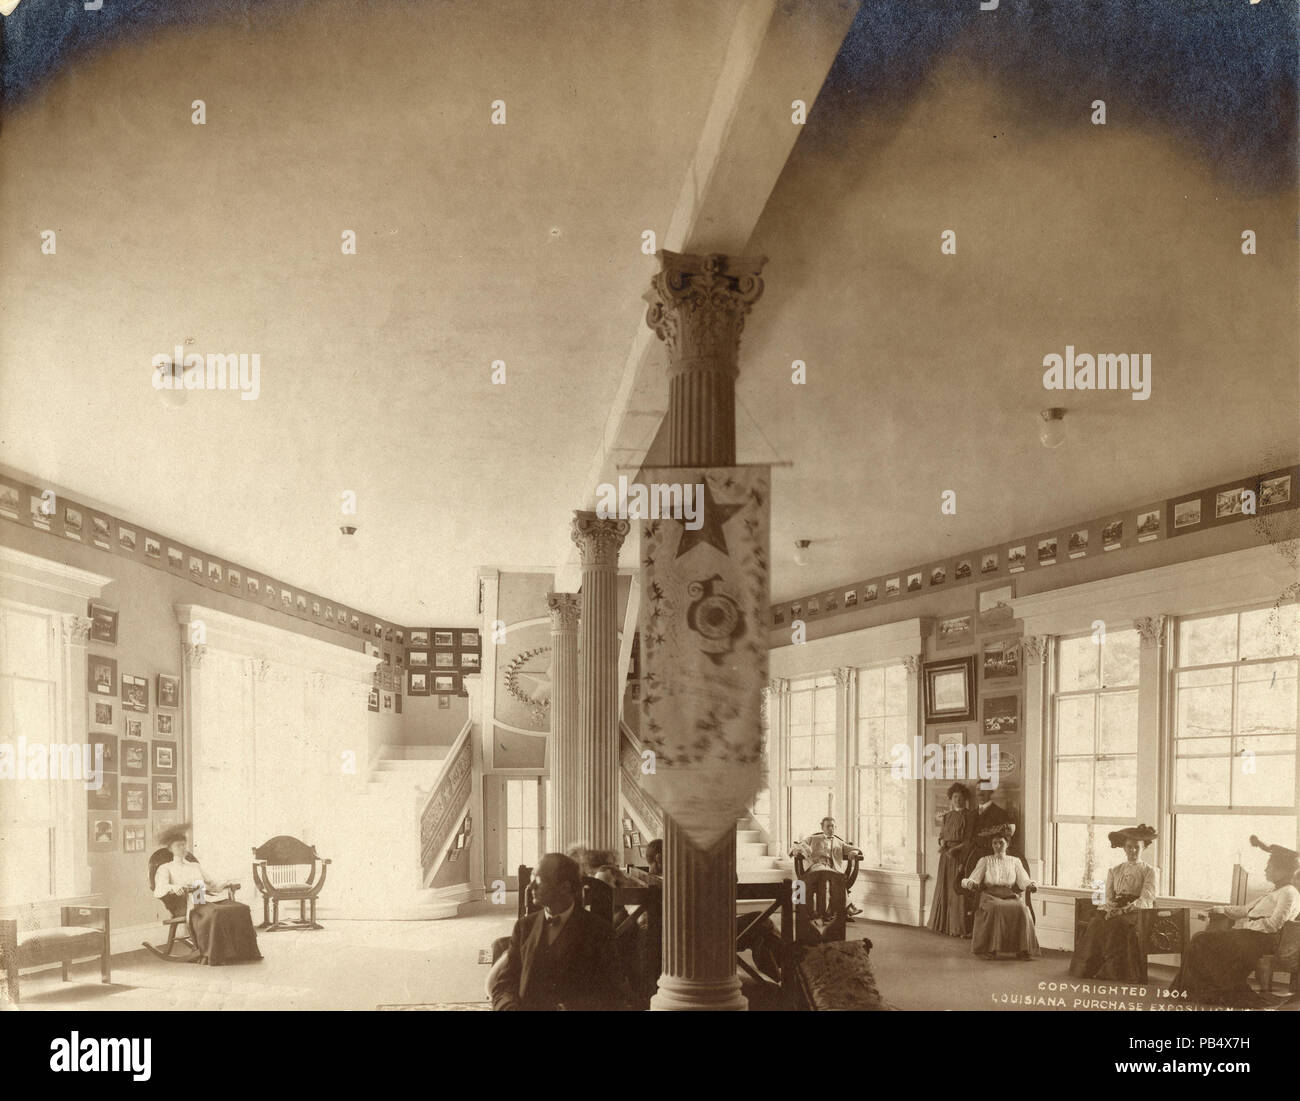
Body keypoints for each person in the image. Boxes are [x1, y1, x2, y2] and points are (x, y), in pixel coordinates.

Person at [1171, 835, 1300, 1007]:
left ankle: (1199, 991)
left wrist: (1247, 925)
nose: (1265, 870)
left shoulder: (1289, 893)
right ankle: (1193, 990)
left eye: (1269, 866)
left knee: (1201, 940)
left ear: (1281, 870)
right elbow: (1245, 910)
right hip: (1252, 935)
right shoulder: (1275, 891)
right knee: (1200, 939)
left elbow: (1274, 924)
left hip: (1264, 939)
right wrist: (1220, 909)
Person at [489, 852, 629, 1011]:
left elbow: (613, 992)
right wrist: (508, 1007)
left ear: (565, 886)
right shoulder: (524, 927)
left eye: (539, 880)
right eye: (532, 879)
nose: (531, 886)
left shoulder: (599, 930)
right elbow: (504, 983)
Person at [153, 824, 261, 965]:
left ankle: (243, 952)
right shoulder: (166, 868)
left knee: (242, 908)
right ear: (170, 849)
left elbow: (211, 884)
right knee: (216, 912)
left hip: (204, 897)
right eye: (178, 845)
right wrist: (174, 887)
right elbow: (159, 889)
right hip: (187, 904)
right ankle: (214, 953)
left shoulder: (194, 866)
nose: (183, 848)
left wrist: (225, 884)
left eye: (184, 845)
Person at [1069, 824, 1158, 980]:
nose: (1133, 851)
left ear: (1143, 848)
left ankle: (1112, 971)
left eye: (1137, 847)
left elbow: (1146, 898)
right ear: (1124, 848)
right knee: (1097, 922)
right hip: (1116, 907)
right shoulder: (1115, 870)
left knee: (1117, 924)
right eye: (1129, 847)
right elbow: (1109, 897)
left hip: (1137, 912)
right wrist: (1110, 909)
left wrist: (1124, 910)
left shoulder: (1149, 871)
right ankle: (1088, 968)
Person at [961, 824, 1039, 960]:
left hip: (1009, 895)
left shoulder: (1015, 861)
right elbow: (973, 878)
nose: (997, 846)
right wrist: (971, 883)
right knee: (997, 907)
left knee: (1021, 908)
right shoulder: (985, 861)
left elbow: (1023, 880)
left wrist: (1031, 885)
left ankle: (1023, 949)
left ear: (1007, 844)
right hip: (989, 896)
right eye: (994, 843)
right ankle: (990, 949)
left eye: (1001, 843)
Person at [792, 816, 862, 922]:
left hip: (832, 869)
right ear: (822, 827)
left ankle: (829, 912)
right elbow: (798, 845)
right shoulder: (813, 838)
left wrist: (854, 852)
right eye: (828, 826)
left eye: (833, 826)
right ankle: (846, 907)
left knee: (835, 880)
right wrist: (800, 850)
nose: (831, 829)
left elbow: (856, 849)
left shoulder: (839, 842)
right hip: (816, 867)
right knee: (830, 877)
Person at [962, 788, 1013, 928]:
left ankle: (992, 928)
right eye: (977, 790)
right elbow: (967, 839)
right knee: (969, 890)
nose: (979, 793)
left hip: (992, 855)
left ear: (990, 792)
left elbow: (1005, 836)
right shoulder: (972, 813)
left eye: (983, 790)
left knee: (988, 889)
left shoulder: (1000, 813)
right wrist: (964, 858)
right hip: (972, 856)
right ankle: (972, 928)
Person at [928, 783, 972, 937]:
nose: (958, 800)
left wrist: (955, 850)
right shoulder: (947, 816)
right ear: (951, 799)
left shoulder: (970, 816)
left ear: (965, 798)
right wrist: (942, 843)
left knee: (957, 891)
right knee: (944, 888)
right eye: (955, 797)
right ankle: (943, 925)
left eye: (960, 797)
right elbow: (941, 836)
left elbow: (968, 840)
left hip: (960, 856)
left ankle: (957, 928)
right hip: (945, 857)